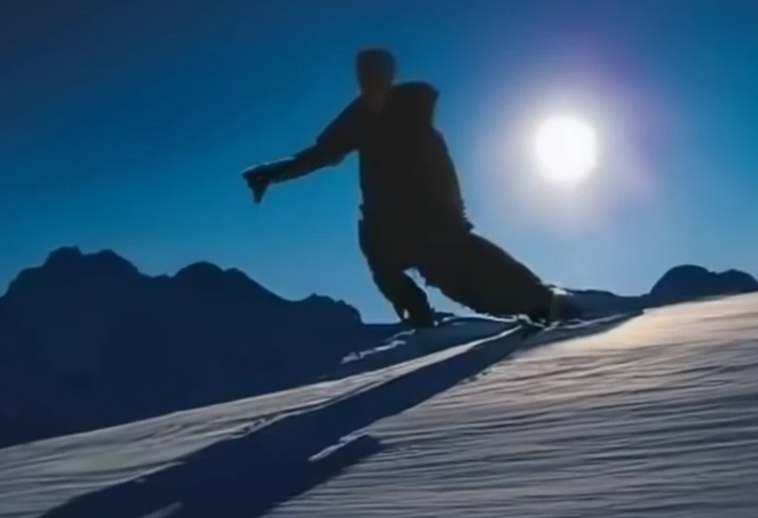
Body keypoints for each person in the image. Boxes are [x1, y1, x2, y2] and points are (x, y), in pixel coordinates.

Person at [243, 48, 568, 327]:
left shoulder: (408, 113)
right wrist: (273, 174)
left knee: (460, 271)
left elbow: (441, 168)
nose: (368, 82)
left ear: (387, 75)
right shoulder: (360, 119)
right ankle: (426, 322)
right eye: (364, 76)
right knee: (387, 265)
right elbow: (322, 155)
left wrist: (453, 210)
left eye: (374, 75)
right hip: (389, 225)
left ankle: (540, 303)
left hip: (428, 218)